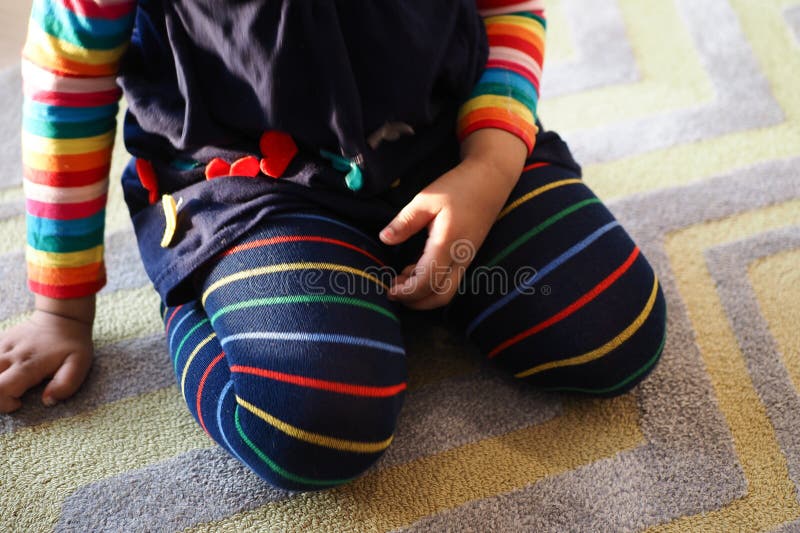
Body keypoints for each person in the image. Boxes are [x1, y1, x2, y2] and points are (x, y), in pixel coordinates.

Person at [0, 0, 666, 491]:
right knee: (312, 419)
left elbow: (506, 9)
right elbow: (68, 81)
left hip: (443, 141)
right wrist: (62, 310)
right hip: (251, 184)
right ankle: (203, 292)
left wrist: (489, 166)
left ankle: (406, 283)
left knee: (617, 328)